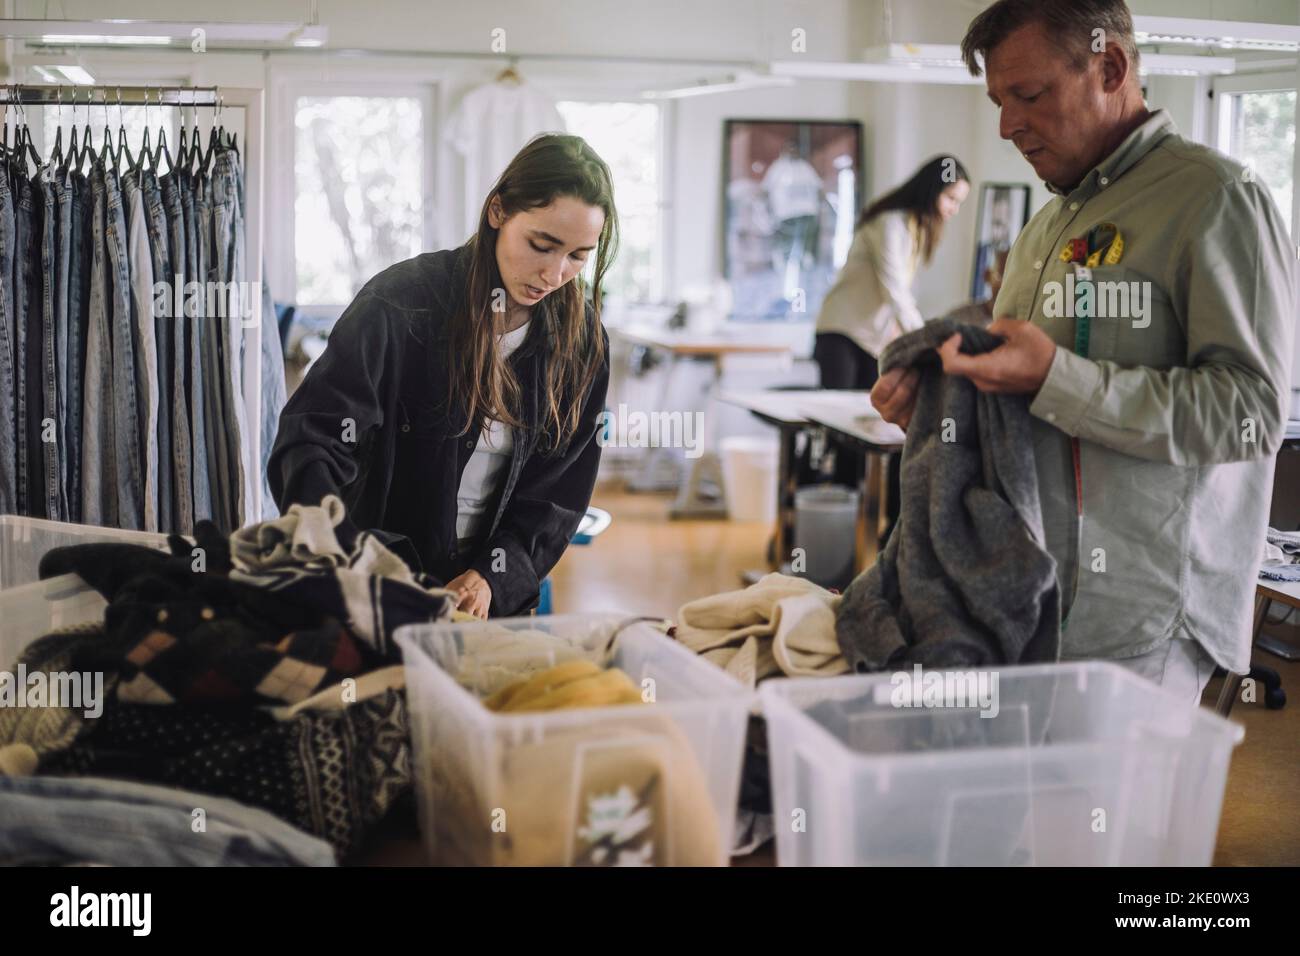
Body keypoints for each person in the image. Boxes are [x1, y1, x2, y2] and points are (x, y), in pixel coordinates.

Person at [872, 0, 1295, 704]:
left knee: (1106, 817)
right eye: (999, 100)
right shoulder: (1047, 228)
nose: (1007, 126)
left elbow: (1250, 414)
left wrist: (1057, 377)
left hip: (1139, 617)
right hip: (1028, 598)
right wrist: (936, 408)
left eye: (1029, 95)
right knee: (1020, 812)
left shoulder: (1215, 200)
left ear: (1111, 66)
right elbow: (1010, 400)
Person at [269, 134, 618, 619]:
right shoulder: (400, 304)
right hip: (372, 587)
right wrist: (352, 556)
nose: (554, 273)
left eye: (578, 256)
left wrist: (492, 576)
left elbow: (557, 495)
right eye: (542, 245)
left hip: (486, 601)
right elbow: (312, 444)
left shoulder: (580, 343)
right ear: (498, 212)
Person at [814, 155, 971, 390]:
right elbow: (894, 290)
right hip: (843, 332)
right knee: (839, 415)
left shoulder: (915, 228)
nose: (954, 209)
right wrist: (929, 340)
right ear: (931, 190)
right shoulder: (889, 224)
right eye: (951, 198)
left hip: (872, 339)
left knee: (866, 415)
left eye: (959, 202)